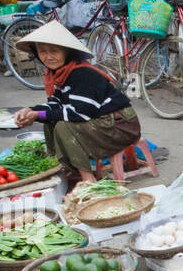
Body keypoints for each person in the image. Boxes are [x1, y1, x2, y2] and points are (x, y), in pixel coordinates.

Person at [12, 21, 141, 184]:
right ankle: (60, 165)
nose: (48, 56)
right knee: (50, 121)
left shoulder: (81, 74)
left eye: (54, 50)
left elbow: (79, 114)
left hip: (121, 126)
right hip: (102, 122)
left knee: (63, 126)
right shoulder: (59, 74)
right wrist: (30, 111)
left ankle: (87, 177)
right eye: (42, 51)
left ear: (67, 52)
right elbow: (56, 105)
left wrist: (38, 114)